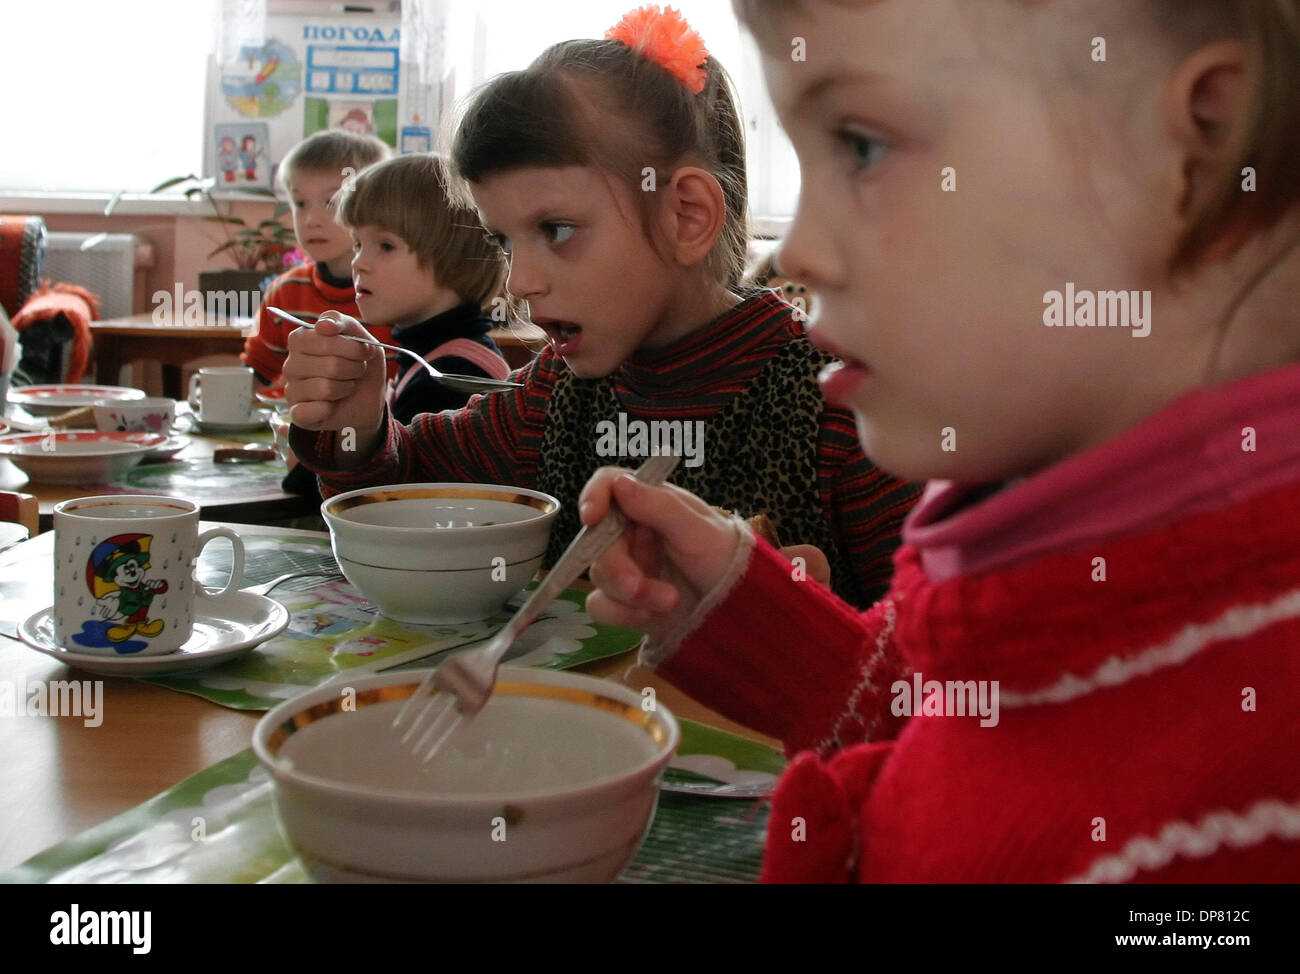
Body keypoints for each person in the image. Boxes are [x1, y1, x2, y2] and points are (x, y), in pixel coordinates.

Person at [577, 0, 1300, 882]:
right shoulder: (1063, 555)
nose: (796, 250)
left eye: (863, 146)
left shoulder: (1241, 815)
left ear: (1189, 152)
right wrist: (740, 607)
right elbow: (967, 736)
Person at [283, 6, 920, 609]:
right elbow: (402, 494)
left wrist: (819, 624)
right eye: (503, 239)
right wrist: (357, 428)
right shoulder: (551, 397)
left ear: (685, 215)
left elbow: (950, 665)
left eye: (556, 229)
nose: (521, 281)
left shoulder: (842, 412)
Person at [333, 153, 511, 422]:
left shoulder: (451, 379)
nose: (358, 263)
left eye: (385, 246)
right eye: (358, 244)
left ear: (451, 255)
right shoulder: (426, 356)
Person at [240, 129, 390, 385]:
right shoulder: (284, 293)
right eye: (300, 204)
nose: (311, 220)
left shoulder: (399, 293)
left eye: (332, 202)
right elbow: (257, 374)